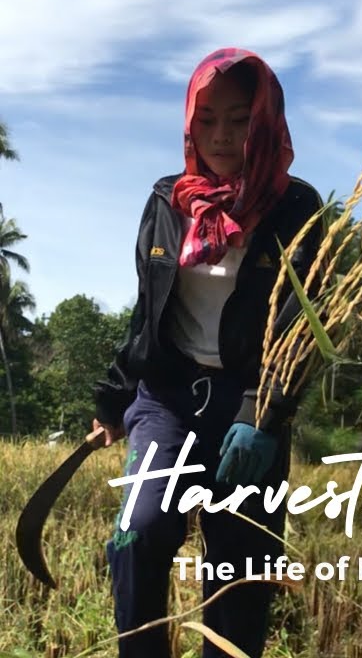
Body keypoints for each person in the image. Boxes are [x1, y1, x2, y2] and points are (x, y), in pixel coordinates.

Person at [90, 47, 324, 658]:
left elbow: (300, 329)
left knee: (240, 571)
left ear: (266, 121)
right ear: (190, 124)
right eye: (208, 119)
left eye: (241, 119)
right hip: (167, 398)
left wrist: (261, 414)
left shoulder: (296, 209)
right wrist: (114, 400)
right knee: (139, 533)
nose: (222, 135)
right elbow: (147, 312)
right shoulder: (167, 201)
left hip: (247, 410)